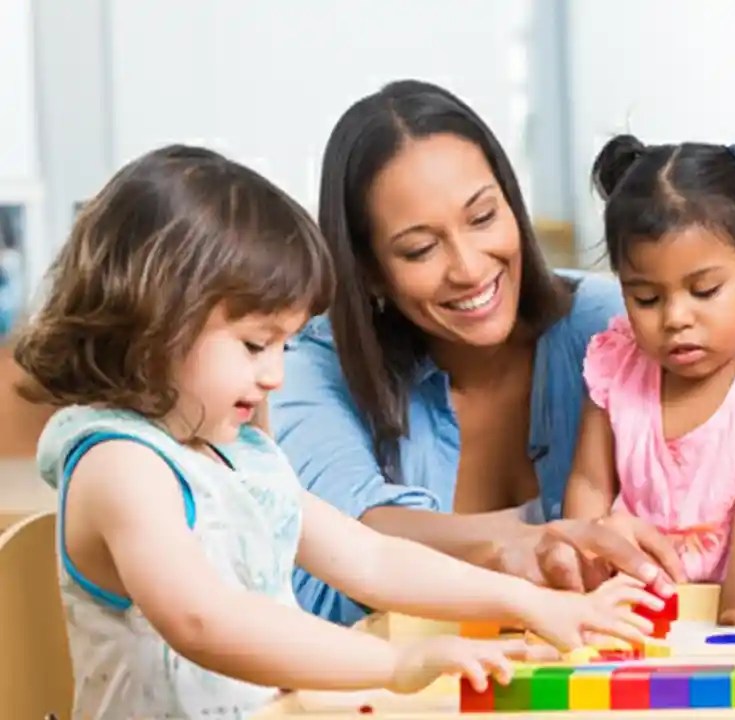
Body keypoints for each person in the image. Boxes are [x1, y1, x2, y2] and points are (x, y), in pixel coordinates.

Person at [13, 145, 660, 718]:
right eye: (255, 344)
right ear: (155, 323)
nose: (274, 377)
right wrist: (396, 664)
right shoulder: (119, 464)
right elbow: (203, 619)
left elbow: (371, 559)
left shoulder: (239, 458)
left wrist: (526, 602)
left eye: (285, 347)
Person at [269, 80, 684, 628]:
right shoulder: (309, 366)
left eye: (484, 217)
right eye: (420, 248)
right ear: (368, 271)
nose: (468, 267)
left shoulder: (615, 326)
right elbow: (347, 536)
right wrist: (517, 546)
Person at [563, 133, 735, 625]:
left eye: (705, 291)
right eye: (646, 298)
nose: (675, 318)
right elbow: (589, 483)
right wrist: (586, 582)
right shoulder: (613, 366)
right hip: (650, 609)